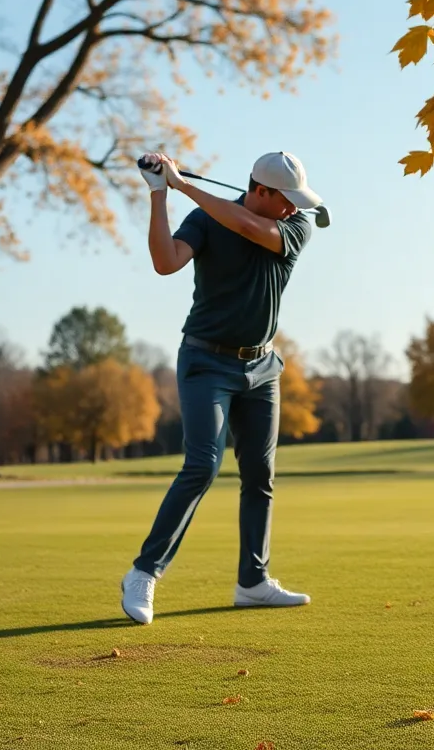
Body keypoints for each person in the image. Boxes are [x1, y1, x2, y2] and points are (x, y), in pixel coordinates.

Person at [120, 150, 320, 625]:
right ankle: (143, 573)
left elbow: (249, 227)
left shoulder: (294, 227)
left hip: (262, 368)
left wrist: (183, 185)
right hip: (206, 361)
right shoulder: (205, 219)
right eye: (286, 199)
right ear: (260, 190)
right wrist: (159, 194)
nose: (293, 207)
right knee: (201, 465)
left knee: (259, 474)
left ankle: (253, 582)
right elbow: (165, 262)